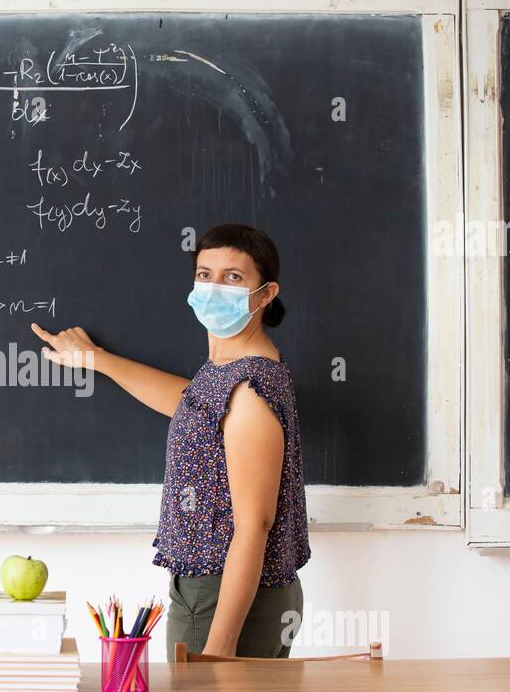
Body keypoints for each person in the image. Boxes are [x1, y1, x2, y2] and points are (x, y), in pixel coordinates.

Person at [31, 223, 311, 658]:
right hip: (228, 589)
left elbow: (254, 526)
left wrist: (217, 652)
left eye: (233, 277)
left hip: (223, 597)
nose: (214, 287)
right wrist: (98, 361)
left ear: (266, 294)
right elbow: (194, 407)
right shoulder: (230, 373)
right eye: (205, 274)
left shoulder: (250, 389)